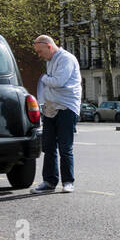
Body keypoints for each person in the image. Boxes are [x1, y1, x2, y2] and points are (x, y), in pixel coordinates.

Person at [31, 35, 81, 193]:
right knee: (48, 146)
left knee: (65, 147)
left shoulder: (66, 59)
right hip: (50, 108)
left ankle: (68, 182)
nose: (39, 55)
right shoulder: (50, 61)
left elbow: (59, 82)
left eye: (40, 51)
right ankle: (49, 182)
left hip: (66, 107)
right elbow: (53, 84)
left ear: (49, 46)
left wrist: (44, 78)